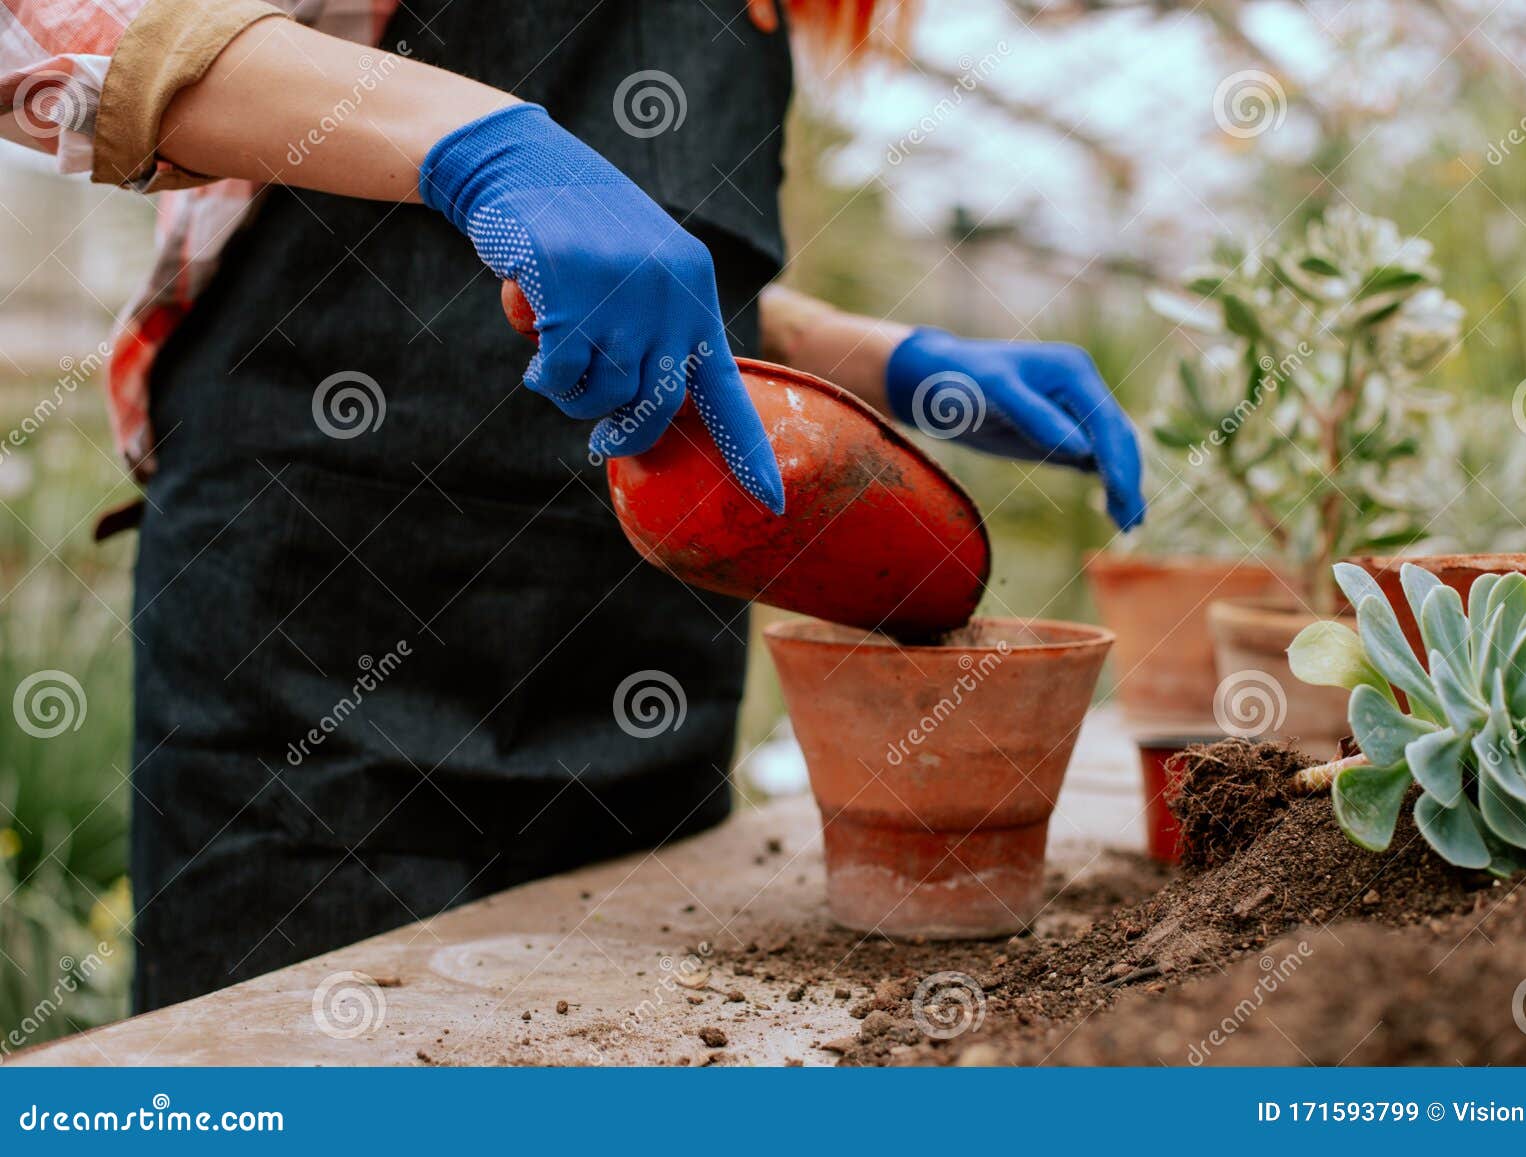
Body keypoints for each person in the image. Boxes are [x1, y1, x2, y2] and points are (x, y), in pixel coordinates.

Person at [0, 0, 1145, 1011]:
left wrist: (890, 362)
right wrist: (477, 148)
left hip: (635, 666)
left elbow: (617, 272)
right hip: (324, 635)